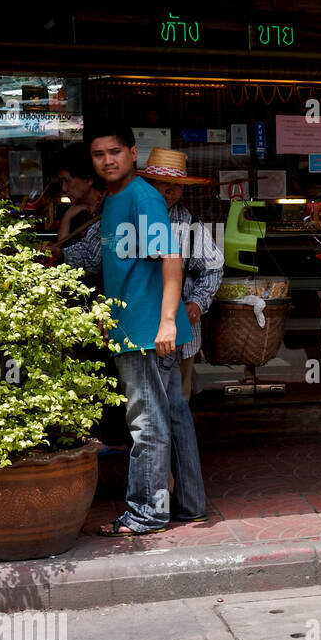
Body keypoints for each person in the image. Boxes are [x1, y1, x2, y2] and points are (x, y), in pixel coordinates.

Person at [87, 125, 207, 536]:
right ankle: (190, 504)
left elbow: (170, 260)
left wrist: (168, 321)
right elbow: (123, 266)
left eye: (115, 151)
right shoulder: (115, 198)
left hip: (147, 331)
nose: (107, 160)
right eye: (99, 154)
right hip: (134, 325)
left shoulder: (141, 196)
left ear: (133, 153)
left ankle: (146, 513)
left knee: (147, 423)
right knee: (172, 416)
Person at [138, 147, 221, 399]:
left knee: (177, 399)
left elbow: (214, 267)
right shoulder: (129, 218)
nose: (171, 192)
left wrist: (198, 300)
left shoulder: (191, 226)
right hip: (137, 326)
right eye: (164, 185)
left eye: (177, 186)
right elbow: (92, 256)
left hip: (180, 332)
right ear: (149, 185)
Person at [54, 145, 105, 260]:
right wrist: (67, 218)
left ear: (88, 180)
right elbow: (61, 246)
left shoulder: (109, 206)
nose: (64, 188)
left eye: (67, 181)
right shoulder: (77, 211)